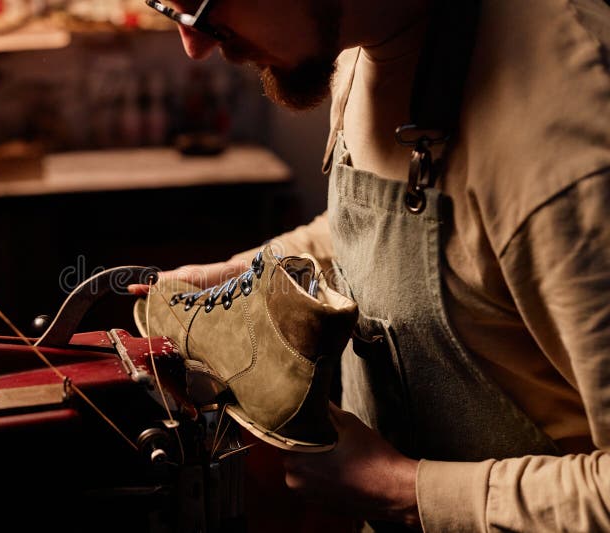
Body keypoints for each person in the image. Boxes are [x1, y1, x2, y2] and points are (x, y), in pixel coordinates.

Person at [132, 0, 610, 530]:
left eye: (199, 5)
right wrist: (250, 272)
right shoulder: (361, 38)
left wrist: (401, 490)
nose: (193, 46)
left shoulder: (564, 152)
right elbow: (403, 229)